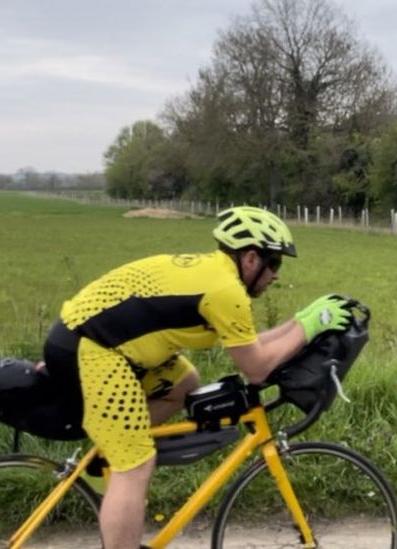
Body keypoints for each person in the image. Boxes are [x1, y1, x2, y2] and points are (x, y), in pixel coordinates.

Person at [42, 206, 352, 549]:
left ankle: (113, 451)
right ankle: (121, 462)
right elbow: (257, 368)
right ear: (251, 259)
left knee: (185, 384)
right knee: (137, 465)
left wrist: (300, 322)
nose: (275, 275)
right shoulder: (225, 292)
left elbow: (251, 346)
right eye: (274, 263)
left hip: (94, 341)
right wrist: (310, 327)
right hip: (93, 350)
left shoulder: (218, 276)